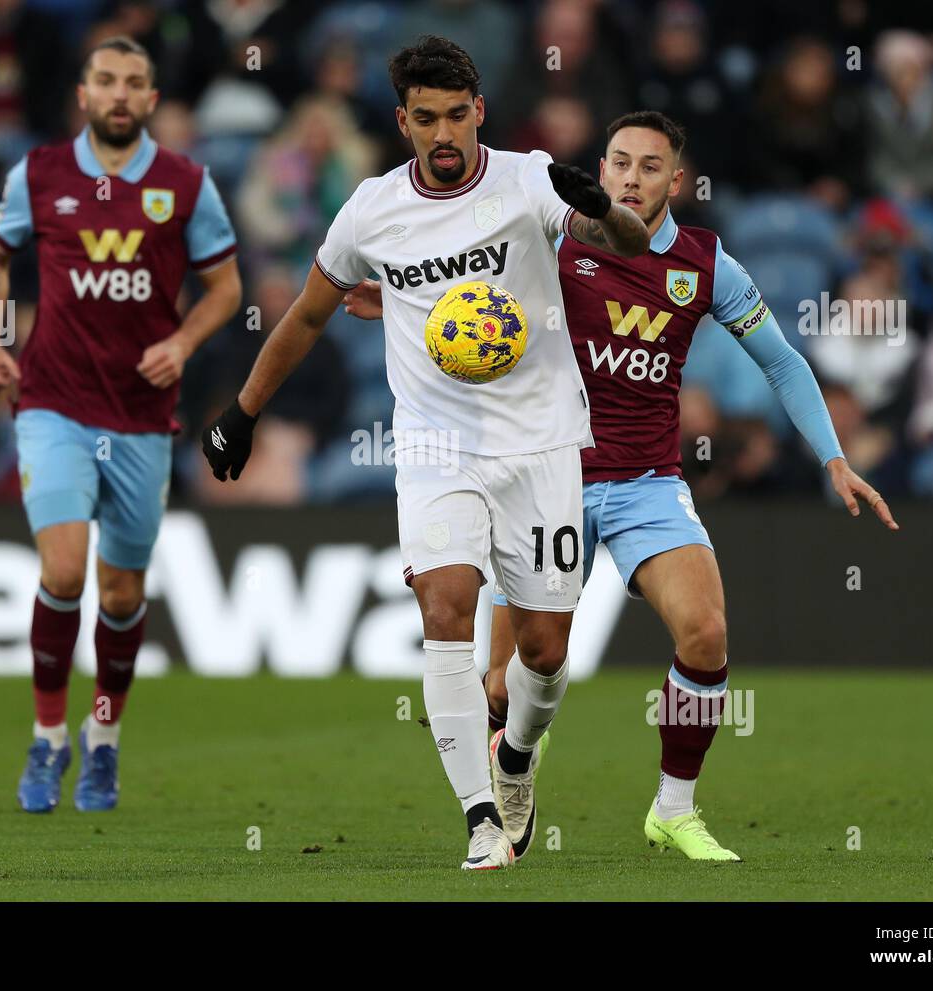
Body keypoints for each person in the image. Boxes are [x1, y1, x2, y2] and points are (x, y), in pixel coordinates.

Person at [346, 111, 898, 862]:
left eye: (648, 166)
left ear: (676, 180)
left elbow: (782, 361)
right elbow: (463, 289)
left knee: (704, 634)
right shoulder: (555, 235)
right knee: (507, 686)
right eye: (618, 163)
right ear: (599, 171)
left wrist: (832, 456)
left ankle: (674, 809)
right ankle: (514, 762)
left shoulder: (706, 264)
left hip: (646, 479)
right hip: (544, 476)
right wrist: (401, 305)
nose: (630, 178)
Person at [201, 35, 649, 870]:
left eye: (456, 116)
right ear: (402, 121)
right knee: (445, 606)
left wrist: (606, 208)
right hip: (436, 443)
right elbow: (306, 313)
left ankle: (515, 757)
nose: (443, 134)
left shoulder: (529, 177)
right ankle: (481, 816)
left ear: (478, 111)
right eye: (424, 119)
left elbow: (625, 243)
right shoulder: (371, 208)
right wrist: (244, 408)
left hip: (541, 438)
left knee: (544, 652)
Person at [0, 36, 242, 813]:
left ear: (152, 100)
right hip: (52, 402)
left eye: (134, 83)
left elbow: (226, 286)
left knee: (121, 593)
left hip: (141, 416)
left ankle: (103, 742)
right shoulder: (39, 174)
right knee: (63, 571)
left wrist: (183, 341)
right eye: (106, 81)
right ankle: (48, 736)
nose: (119, 94)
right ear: (83, 94)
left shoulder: (186, 184)